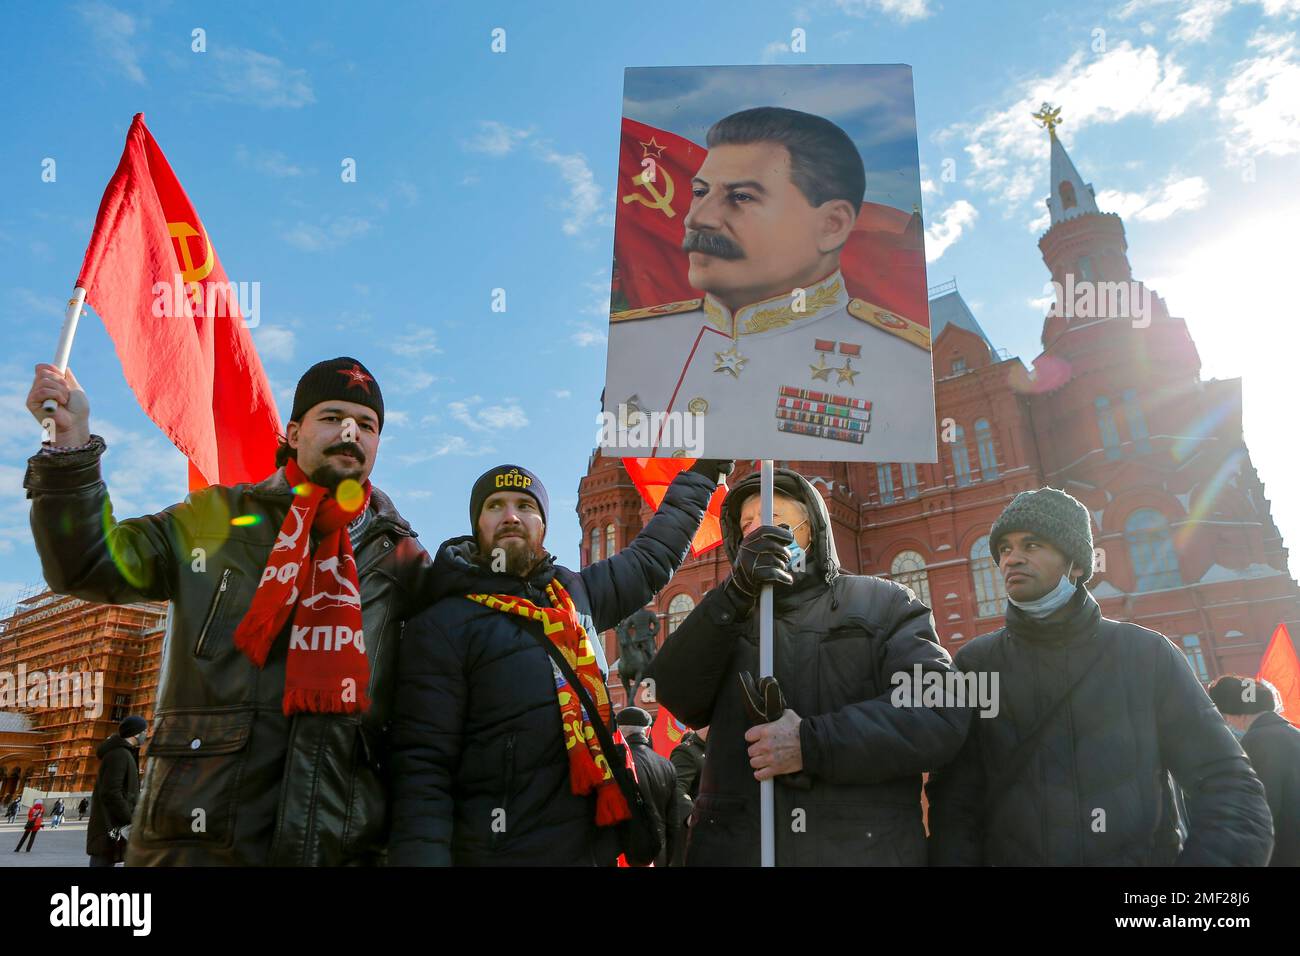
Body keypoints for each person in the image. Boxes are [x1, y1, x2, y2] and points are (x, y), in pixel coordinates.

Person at [25, 356, 440, 865]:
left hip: (343, 849)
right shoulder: (215, 519)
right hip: (196, 847)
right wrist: (71, 448)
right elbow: (88, 563)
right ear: (293, 431)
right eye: (331, 417)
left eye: (367, 425)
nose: (350, 432)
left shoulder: (404, 559)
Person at [388, 459, 728, 865]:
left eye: (525, 506)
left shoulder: (573, 596)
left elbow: (650, 557)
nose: (511, 516)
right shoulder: (443, 623)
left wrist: (701, 477)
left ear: (544, 526)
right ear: (477, 524)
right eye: (495, 505)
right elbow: (423, 770)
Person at [927, 488, 1274, 866]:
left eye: (1032, 544)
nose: (1013, 559)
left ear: (1076, 564)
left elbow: (1227, 785)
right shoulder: (977, 664)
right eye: (1004, 549)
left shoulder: (1146, 655)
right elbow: (954, 804)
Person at [649, 466, 969, 865]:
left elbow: (939, 711)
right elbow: (675, 693)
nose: (759, 532)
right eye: (747, 524)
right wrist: (733, 596)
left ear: (811, 527)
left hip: (860, 851)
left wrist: (812, 743)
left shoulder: (884, 604)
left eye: (776, 520)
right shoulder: (728, 615)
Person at [604, 106, 934, 461]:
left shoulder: (902, 361)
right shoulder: (633, 341)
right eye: (700, 192)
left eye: (741, 197)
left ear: (832, 225)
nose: (698, 218)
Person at [1209, 675, 1300, 866]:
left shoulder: (1255, 741)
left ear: (1239, 712)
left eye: (1225, 716)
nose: (1229, 723)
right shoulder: (1294, 733)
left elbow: (1263, 806)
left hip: (1282, 852)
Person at [616, 707, 680, 867]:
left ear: (618, 733)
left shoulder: (614, 765)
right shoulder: (667, 765)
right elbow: (673, 823)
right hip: (658, 855)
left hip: (625, 855)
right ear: (648, 731)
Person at [87, 716, 146, 867]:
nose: (146, 734)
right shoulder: (119, 754)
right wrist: (129, 817)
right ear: (135, 733)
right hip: (108, 825)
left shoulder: (124, 753)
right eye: (144, 731)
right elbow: (111, 792)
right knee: (102, 860)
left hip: (113, 825)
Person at [668, 726, 707, 866]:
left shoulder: (718, 749)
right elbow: (676, 788)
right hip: (698, 833)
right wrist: (693, 817)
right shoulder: (687, 751)